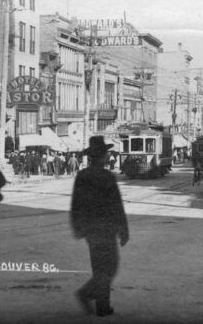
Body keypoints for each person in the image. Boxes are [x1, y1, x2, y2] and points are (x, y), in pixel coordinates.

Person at [71, 136, 129, 317]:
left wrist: (78, 227)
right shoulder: (107, 176)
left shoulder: (82, 176)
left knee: (99, 268)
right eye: (106, 154)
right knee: (110, 267)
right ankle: (86, 294)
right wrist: (123, 230)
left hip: (91, 231)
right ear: (102, 156)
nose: (108, 156)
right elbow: (116, 205)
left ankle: (102, 307)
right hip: (107, 229)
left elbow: (76, 204)